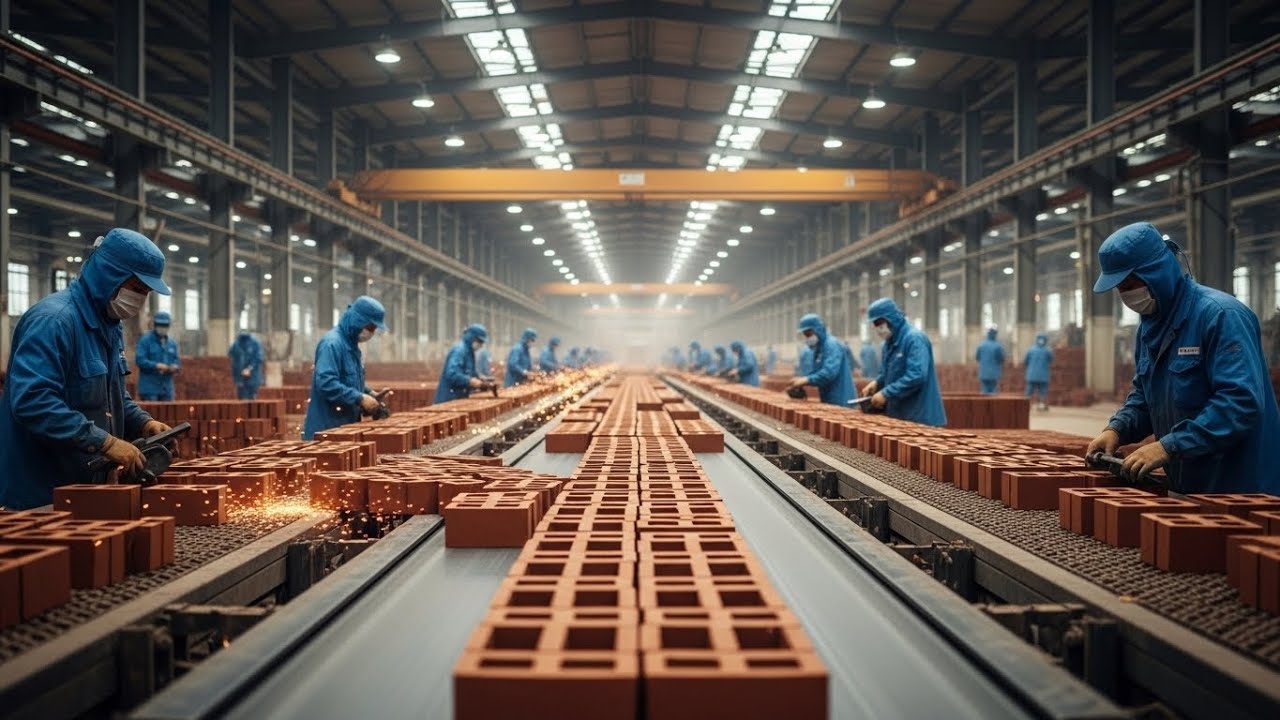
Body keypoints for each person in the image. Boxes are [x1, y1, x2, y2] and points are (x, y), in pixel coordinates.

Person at [1085, 222, 1280, 492]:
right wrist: (1116, 430)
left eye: (1130, 284)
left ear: (1156, 272)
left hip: (1242, 486)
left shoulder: (1221, 316)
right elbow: (1145, 398)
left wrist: (1168, 446)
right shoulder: (1148, 328)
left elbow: (1240, 403)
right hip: (1191, 486)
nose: (1126, 295)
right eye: (1120, 288)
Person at [0, 228, 174, 508]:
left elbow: (111, 396)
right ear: (109, 275)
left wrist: (143, 423)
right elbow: (33, 401)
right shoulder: (53, 321)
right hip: (40, 495)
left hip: (83, 489)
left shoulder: (110, 326)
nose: (140, 299)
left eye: (146, 292)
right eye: (137, 288)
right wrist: (105, 443)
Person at [303, 296, 389, 439]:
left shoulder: (351, 346)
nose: (372, 333)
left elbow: (347, 379)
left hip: (344, 428)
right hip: (326, 429)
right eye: (370, 327)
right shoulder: (332, 344)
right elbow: (326, 383)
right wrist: (359, 398)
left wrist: (369, 393)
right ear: (358, 320)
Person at [859, 298, 947, 426]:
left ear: (891, 318)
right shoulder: (888, 344)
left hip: (920, 417)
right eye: (874, 324)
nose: (877, 328)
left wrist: (886, 393)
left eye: (879, 323)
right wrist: (877, 382)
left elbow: (917, 375)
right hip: (901, 415)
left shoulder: (914, 339)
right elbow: (887, 372)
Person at [787, 313, 855, 406]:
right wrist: (802, 379)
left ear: (817, 329)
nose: (807, 338)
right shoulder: (819, 348)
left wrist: (807, 380)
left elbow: (829, 373)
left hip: (841, 399)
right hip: (829, 398)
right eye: (805, 335)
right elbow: (818, 372)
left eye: (808, 334)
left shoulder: (831, 345)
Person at [434, 323, 489, 404]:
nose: (481, 345)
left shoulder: (469, 352)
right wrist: (470, 381)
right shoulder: (459, 351)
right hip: (448, 398)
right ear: (472, 338)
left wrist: (479, 378)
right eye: (479, 341)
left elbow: (469, 372)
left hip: (459, 397)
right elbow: (452, 374)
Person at [135, 311, 181, 401]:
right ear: (155, 325)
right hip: (150, 389)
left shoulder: (172, 343)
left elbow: (177, 361)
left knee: (169, 410)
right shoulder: (145, 341)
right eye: (160, 325)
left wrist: (175, 367)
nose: (162, 328)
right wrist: (156, 365)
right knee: (152, 410)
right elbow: (140, 360)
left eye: (165, 325)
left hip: (167, 389)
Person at [228, 331, 264, 400]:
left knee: (251, 397)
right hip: (240, 377)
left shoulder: (254, 343)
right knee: (242, 397)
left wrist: (249, 369)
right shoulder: (236, 344)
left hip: (253, 377)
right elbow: (230, 355)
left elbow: (258, 358)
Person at [1024, 334, 1053, 411]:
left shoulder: (1030, 350)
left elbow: (1025, 361)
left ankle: (1025, 405)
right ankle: (1041, 405)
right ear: (1046, 340)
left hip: (1032, 375)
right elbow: (1051, 360)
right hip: (1043, 375)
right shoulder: (1048, 351)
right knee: (1043, 391)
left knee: (1029, 391)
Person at [975, 328, 1005, 395]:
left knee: (984, 391)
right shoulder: (998, 346)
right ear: (995, 335)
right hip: (994, 373)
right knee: (993, 392)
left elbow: (977, 357)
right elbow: (1001, 358)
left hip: (983, 372)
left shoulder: (981, 345)